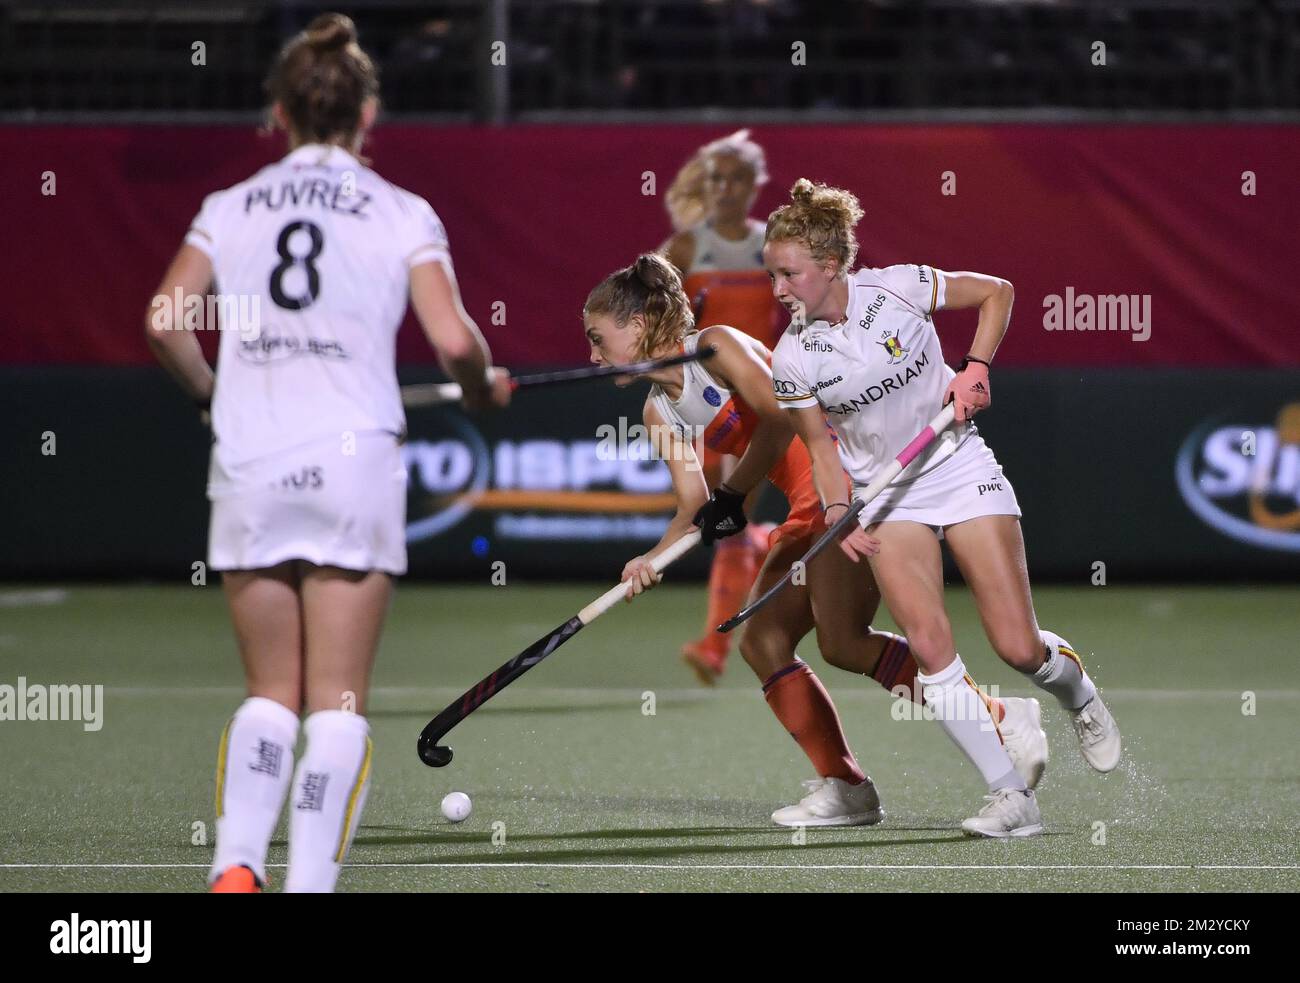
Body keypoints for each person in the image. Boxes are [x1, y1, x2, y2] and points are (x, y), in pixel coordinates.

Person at [145, 13, 510, 891]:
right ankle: (310, 886)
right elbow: (455, 340)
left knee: (271, 691)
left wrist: (210, 395)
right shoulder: (399, 210)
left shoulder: (227, 208)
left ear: (279, 110)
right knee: (337, 701)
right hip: (352, 463)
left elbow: (165, 321)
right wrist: (477, 384)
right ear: (367, 112)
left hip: (252, 458)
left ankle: (235, 863)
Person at [582, 254, 1047, 826]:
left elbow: (780, 421)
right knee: (778, 644)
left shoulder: (717, 347)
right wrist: (647, 561)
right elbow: (692, 508)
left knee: (833, 641)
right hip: (808, 510)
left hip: (843, 492)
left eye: (599, 338)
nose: (593, 356)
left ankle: (994, 720)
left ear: (638, 325)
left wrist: (736, 490)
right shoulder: (658, 411)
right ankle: (853, 785)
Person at [765, 179, 1122, 838]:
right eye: (773, 275)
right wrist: (842, 508)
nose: (778, 289)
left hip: (958, 466)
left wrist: (976, 366)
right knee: (932, 650)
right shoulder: (791, 356)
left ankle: (1080, 695)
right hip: (886, 495)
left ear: (832, 266)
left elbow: (997, 292)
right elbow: (819, 445)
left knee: (1017, 645)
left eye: (788, 274)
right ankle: (1011, 797)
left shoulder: (900, 286)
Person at [659, 130, 785, 683]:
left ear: (756, 185)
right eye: (716, 177)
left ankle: (714, 647)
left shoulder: (774, 245)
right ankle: (766, 541)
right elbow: (653, 317)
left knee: (726, 521)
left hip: (757, 399)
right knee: (722, 522)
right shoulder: (687, 248)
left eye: (736, 177)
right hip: (699, 404)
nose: (725, 188)